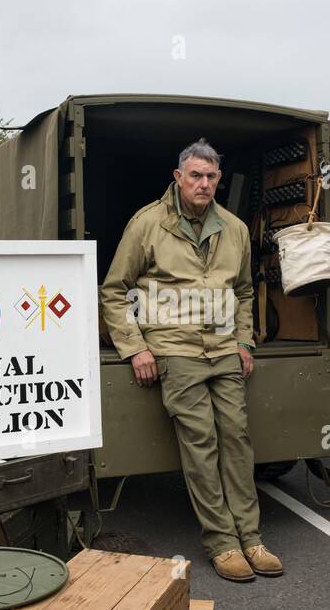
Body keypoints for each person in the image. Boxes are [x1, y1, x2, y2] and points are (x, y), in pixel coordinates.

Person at [100, 139, 283, 582]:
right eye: (195, 176)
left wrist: (244, 341)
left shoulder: (234, 229)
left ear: (220, 179)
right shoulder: (147, 224)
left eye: (211, 177)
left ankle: (252, 537)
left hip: (223, 348)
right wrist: (136, 346)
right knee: (200, 441)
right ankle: (222, 543)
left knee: (237, 438)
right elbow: (114, 289)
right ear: (178, 177)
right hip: (174, 350)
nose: (204, 184)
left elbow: (242, 291)